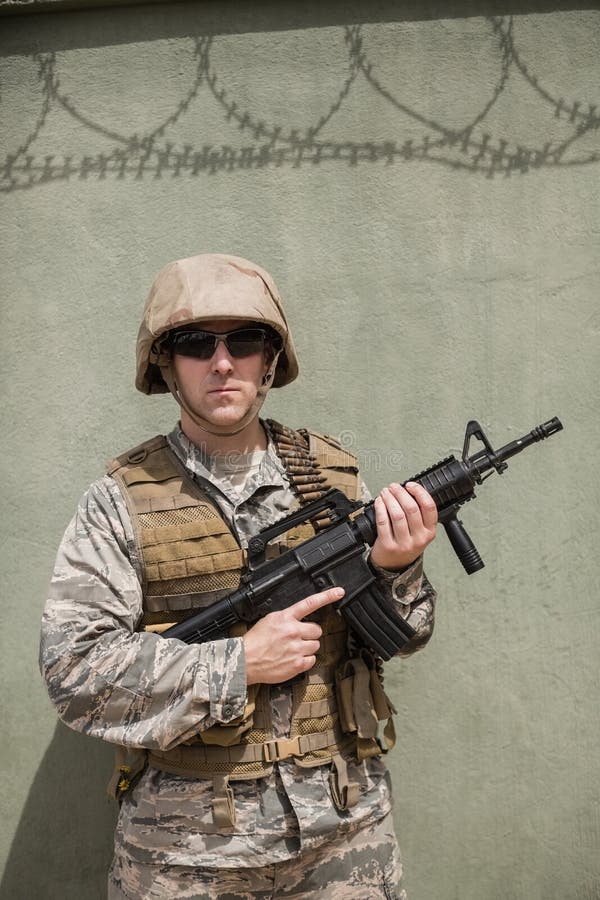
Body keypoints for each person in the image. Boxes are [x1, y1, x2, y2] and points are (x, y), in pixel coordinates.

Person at [40, 253, 438, 900]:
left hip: (345, 840)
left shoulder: (331, 478)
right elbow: (75, 673)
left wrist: (397, 570)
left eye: (245, 341)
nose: (222, 363)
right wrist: (239, 664)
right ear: (166, 364)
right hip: (184, 855)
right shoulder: (118, 502)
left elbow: (408, 635)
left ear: (270, 359)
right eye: (196, 344)